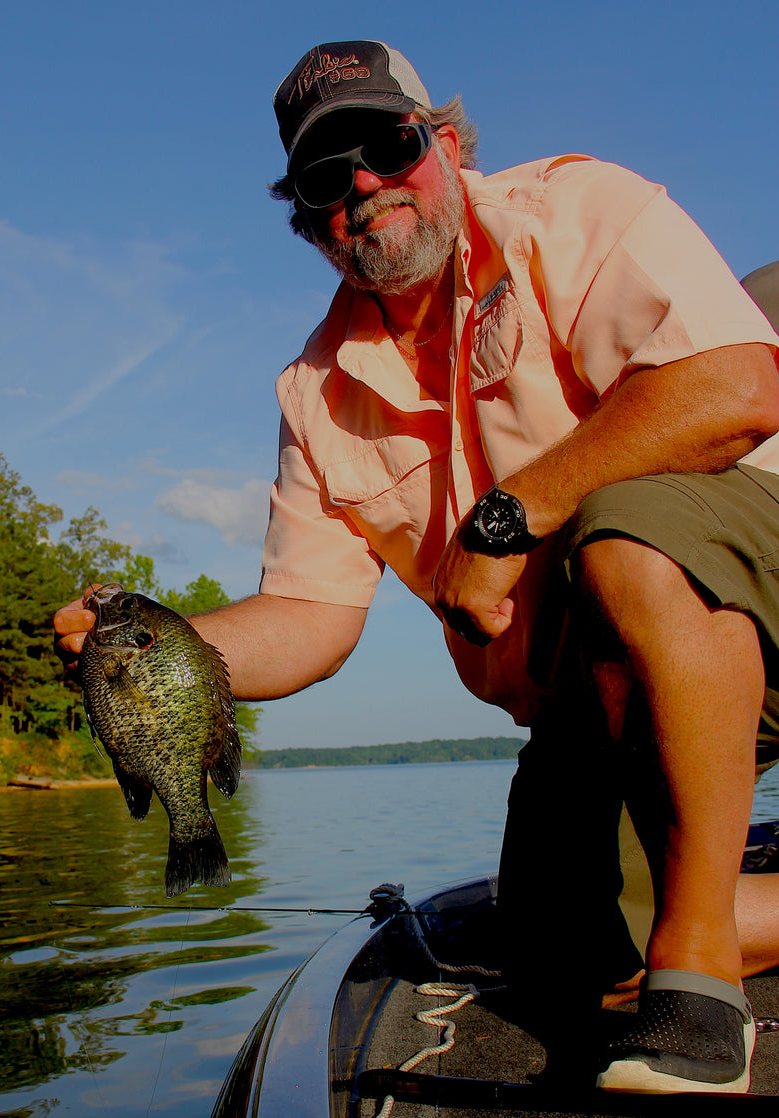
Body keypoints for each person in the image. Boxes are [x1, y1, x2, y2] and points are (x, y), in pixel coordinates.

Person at [55, 41, 779, 1094]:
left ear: (443, 141)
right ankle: (687, 917)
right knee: (559, 945)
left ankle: (703, 982)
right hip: (598, 699)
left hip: (748, 606)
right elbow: (310, 611)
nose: (362, 186)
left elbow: (737, 386)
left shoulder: (575, 213)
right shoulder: (315, 390)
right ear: (306, 221)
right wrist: (166, 645)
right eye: (323, 177)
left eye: (386, 144)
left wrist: (512, 518)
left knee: (620, 530)